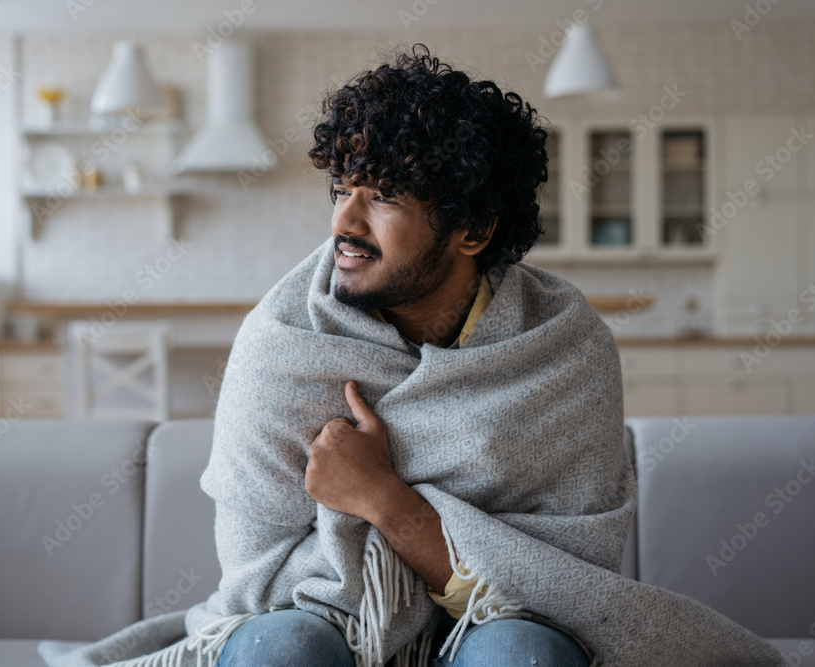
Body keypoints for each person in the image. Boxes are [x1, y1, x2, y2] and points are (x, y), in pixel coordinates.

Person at [215, 43, 590, 667]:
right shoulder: (280, 342)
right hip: (326, 623)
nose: (345, 221)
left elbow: (576, 584)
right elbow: (255, 578)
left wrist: (384, 500)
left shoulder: (562, 342)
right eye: (341, 189)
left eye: (383, 197)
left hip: (503, 621)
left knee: (522, 653)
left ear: (473, 229)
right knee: (277, 650)